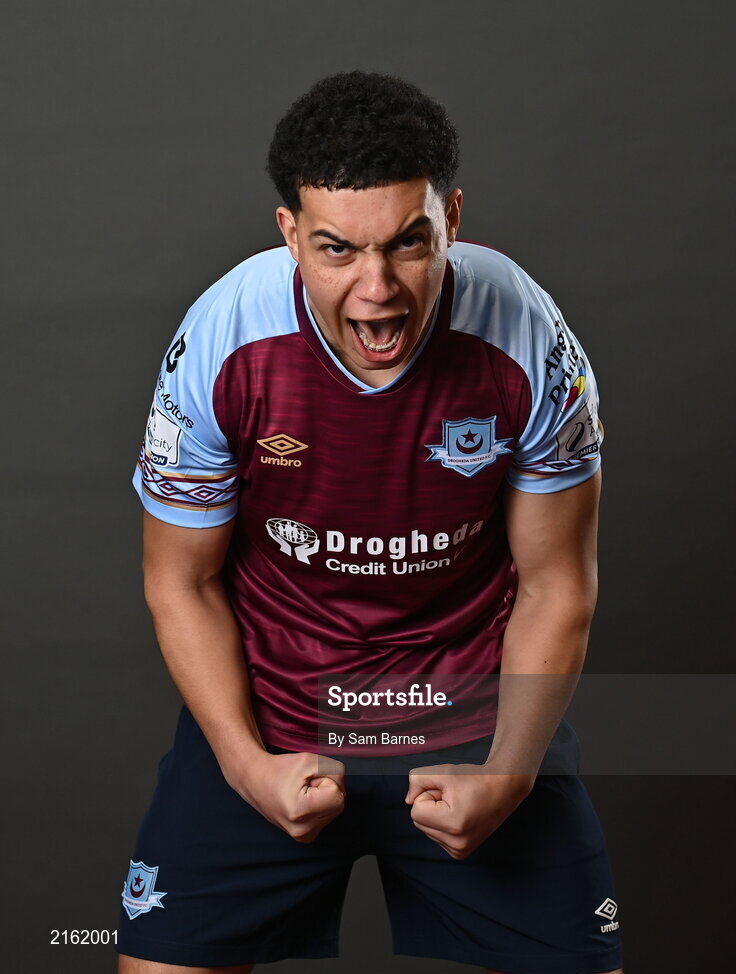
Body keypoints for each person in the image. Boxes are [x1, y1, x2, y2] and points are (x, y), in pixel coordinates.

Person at [117, 71, 624, 974]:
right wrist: (241, 765)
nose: (377, 289)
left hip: (471, 720)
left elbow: (558, 583)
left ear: (453, 217)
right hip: (273, 717)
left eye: (408, 244)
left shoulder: (526, 335)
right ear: (290, 238)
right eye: (337, 251)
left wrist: (508, 774)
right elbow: (179, 580)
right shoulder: (225, 336)